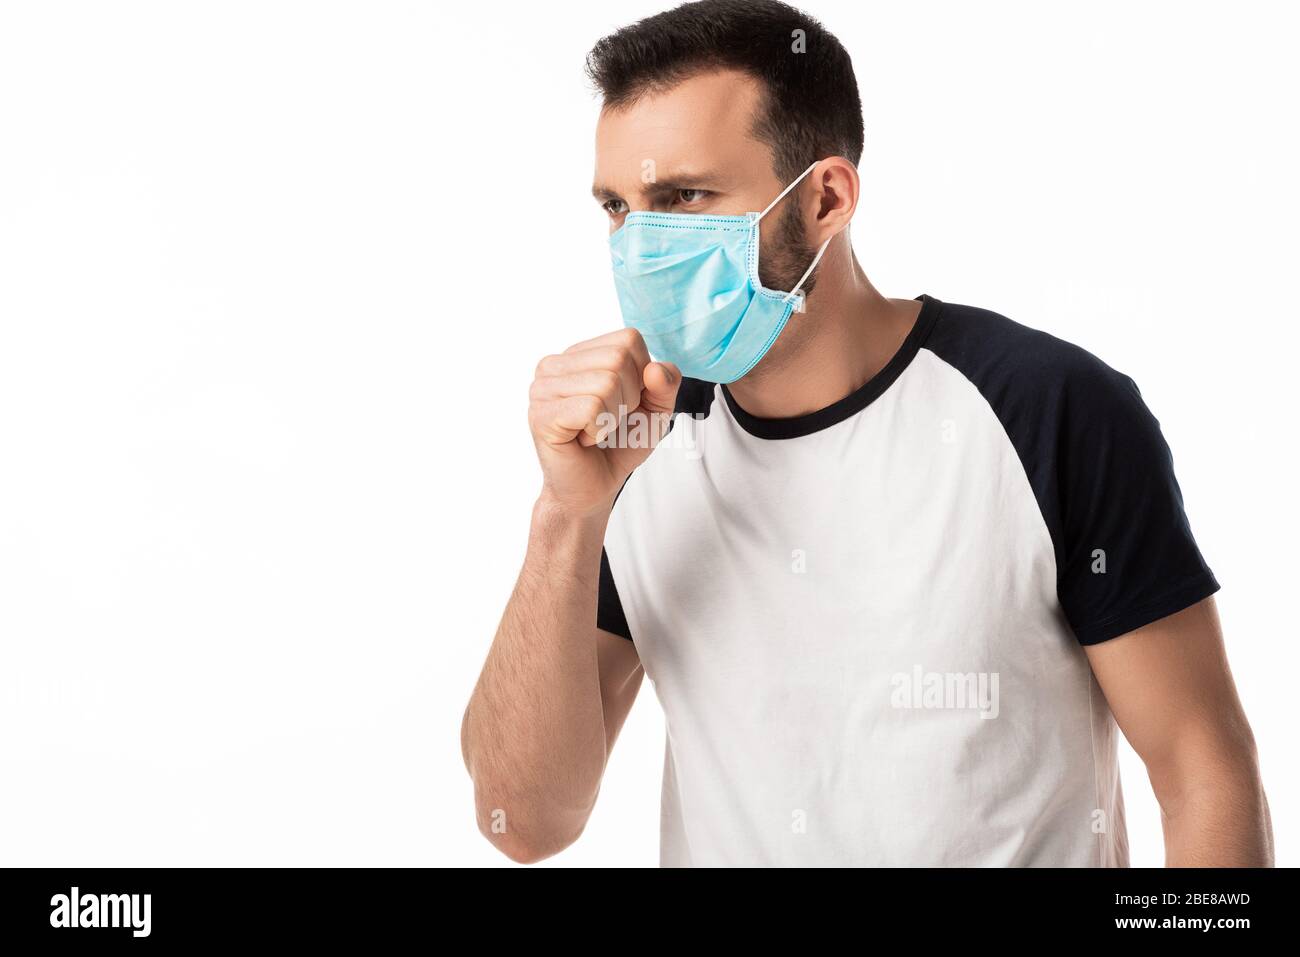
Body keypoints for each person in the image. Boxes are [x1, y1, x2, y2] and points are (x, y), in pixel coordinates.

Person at [461, 0, 1273, 867]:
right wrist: (564, 513)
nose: (641, 246)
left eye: (683, 197)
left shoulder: (1046, 409)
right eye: (619, 209)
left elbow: (1201, 769)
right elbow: (526, 819)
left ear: (825, 198)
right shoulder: (634, 445)